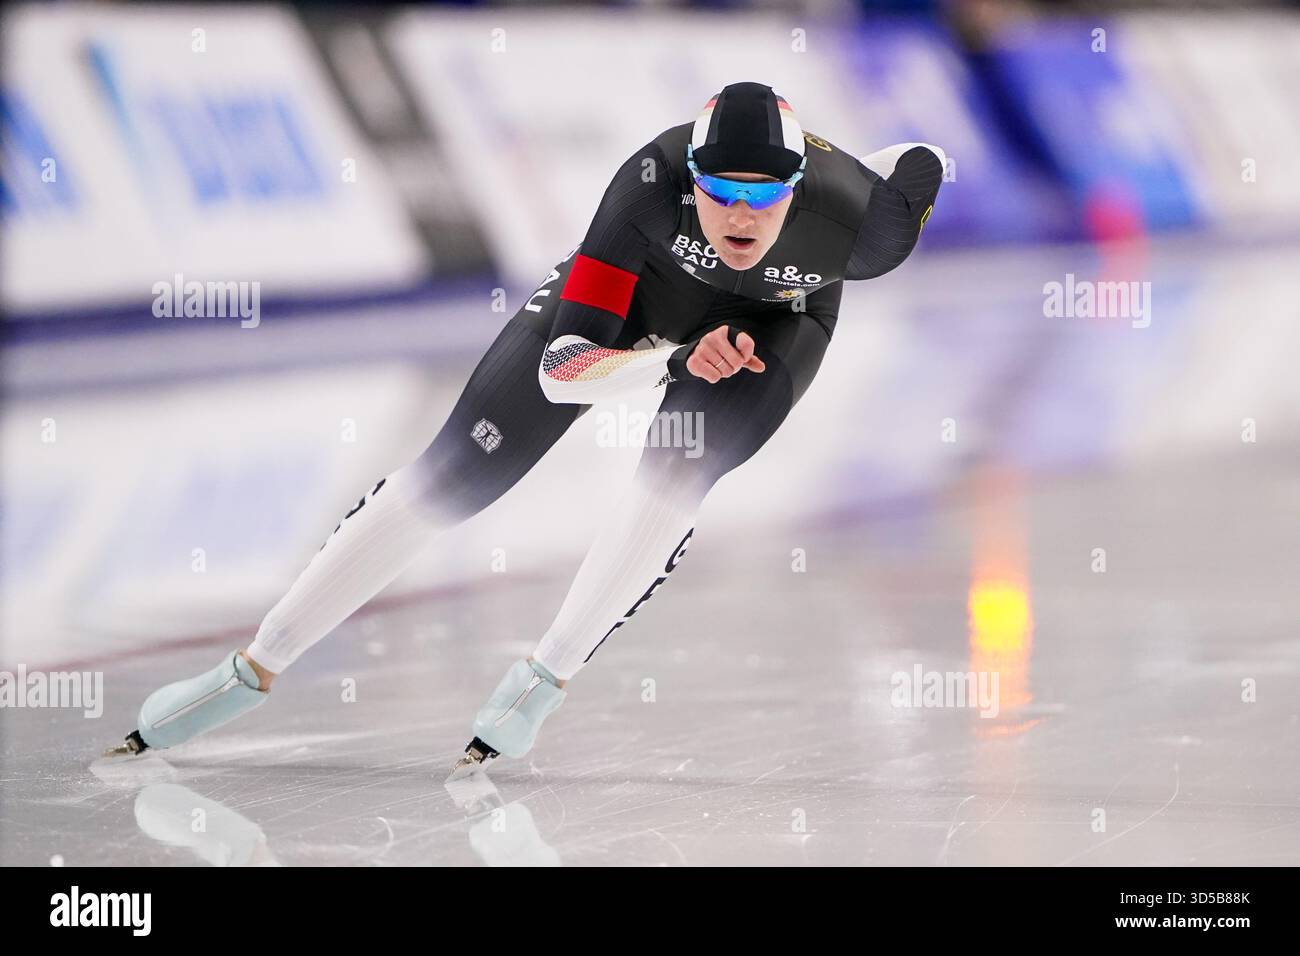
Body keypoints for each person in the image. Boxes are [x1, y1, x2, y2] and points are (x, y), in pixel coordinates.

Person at [107, 82, 945, 778]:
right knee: (457, 472)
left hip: (779, 322)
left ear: (796, 188)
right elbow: (563, 368)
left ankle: (543, 680)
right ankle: (249, 668)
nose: (741, 212)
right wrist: (674, 357)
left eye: (763, 194)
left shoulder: (861, 229)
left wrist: (862, 170)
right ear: (689, 180)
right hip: (640, 312)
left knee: (671, 471)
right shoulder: (644, 185)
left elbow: (920, 163)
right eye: (721, 190)